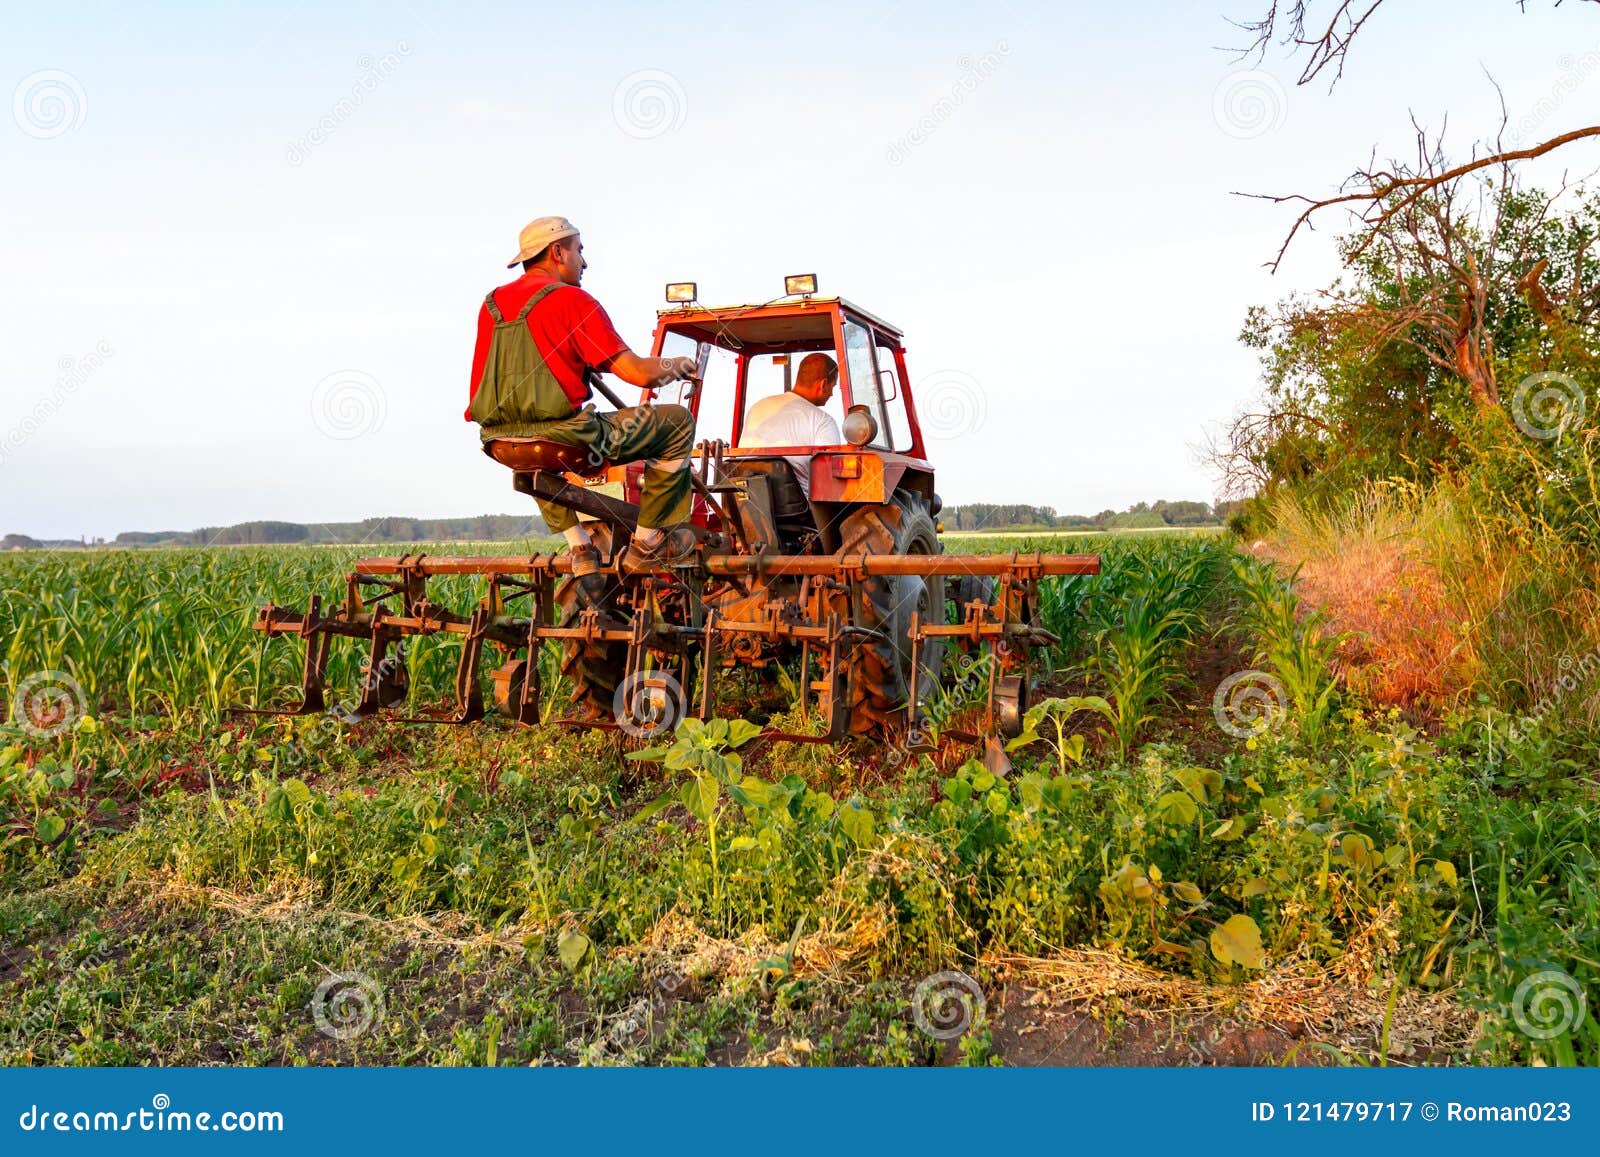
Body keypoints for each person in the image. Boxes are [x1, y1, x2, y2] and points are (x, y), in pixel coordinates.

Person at [466, 216, 700, 572]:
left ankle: (580, 548)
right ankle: (649, 542)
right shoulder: (571, 300)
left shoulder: (491, 305)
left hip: (499, 442)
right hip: (567, 435)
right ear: (558, 252)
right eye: (580, 251)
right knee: (678, 422)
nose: (584, 262)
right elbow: (637, 373)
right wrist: (677, 365)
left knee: (536, 454)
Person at [738, 352, 843, 487]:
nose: (832, 394)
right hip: (799, 506)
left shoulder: (757, 407)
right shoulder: (823, 421)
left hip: (745, 502)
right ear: (823, 385)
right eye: (832, 387)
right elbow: (828, 480)